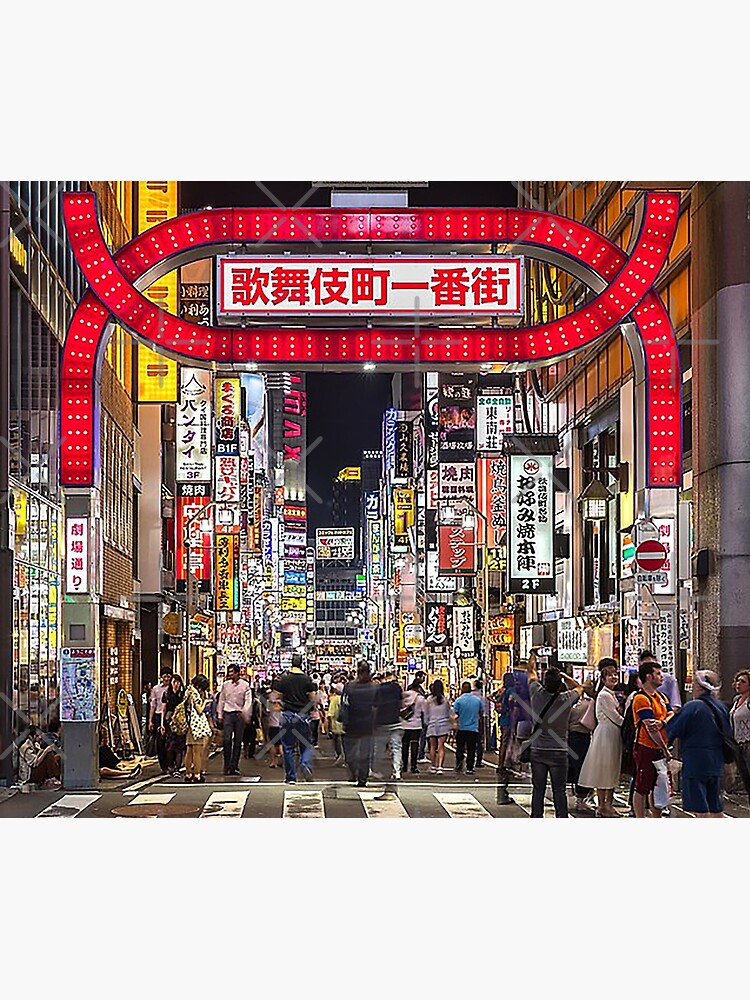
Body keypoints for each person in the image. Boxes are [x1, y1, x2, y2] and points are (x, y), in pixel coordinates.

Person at [666, 669, 730, 817]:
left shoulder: (692, 707)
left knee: (700, 809)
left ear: (700, 687)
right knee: (715, 807)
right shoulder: (721, 707)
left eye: (694, 683)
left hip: (695, 762)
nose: (692, 686)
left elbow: (673, 729)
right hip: (716, 762)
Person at [527, 661, 582, 818]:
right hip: (559, 751)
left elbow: (530, 672)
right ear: (559, 685)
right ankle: (561, 817)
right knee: (559, 790)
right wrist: (564, 676)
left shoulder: (536, 694)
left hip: (538, 750)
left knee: (538, 789)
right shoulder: (566, 699)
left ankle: (536, 816)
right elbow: (579, 687)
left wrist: (532, 655)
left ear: (544, 683)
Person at [579, 662, 624, 817]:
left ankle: (607, 805)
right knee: (605, 770)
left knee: (609, 769)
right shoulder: (605, 695)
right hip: (606, 734)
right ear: (603, 679)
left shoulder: (610, 694)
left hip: (610, 734)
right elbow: (616, 717)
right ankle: (604, 805)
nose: (613, 677)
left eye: (615, 674)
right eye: (609, 675)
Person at [631, 660, 674, 818]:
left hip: (659, 747)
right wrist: (664, 748)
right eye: (658, 674)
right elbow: (651, 728)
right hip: (646, 746)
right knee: (642, 786)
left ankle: (656, 815)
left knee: (658, 784)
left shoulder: (661, 696)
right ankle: (640, 817)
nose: (661, 677)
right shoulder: (641, 698)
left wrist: (663, 722)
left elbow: (670, 713)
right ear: (648, 677)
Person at [275, 653, 316, 784]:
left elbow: (277, 697)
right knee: (306, 744)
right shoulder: (306, 679)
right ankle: (305, 764)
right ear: (301, 663)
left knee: (288, 747)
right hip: (303, 715)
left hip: (287, 714)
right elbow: (312, 698)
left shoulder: (284, 679)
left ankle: (291, 777)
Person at [343, 660, 377, 787]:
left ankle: (355, 773)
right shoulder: (374, 688)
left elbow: (345, 705)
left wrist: (344, 720)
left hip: (352, 723)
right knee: (365, 752)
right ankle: (362, 778)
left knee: (350, 752)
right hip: (368, 724)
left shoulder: (350, 686)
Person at [217, 665, 252, 776]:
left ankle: (234, 766)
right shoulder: (225, 685)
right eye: (229, 672)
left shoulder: (245, 685)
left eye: (232, 672)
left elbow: (248, 701)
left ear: (237, 673)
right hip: (228, 714)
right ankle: (227, 765)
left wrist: (245, 713)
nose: (230, 674)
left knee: (238, 741)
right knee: (227, 740)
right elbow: (221, 700)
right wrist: (220, 714)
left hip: (239, 715)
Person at [373, 667, 404, 780]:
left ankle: (377, 771)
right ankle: (397, 772)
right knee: (396, 748)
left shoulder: (379, 689)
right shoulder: (397, 688)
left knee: (379, 748)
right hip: (395, 721)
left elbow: (374, 706)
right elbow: (401, 703)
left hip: (381, 722)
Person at [567, 695, 596, 815]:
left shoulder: (573, 704)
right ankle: (581, 799)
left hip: (571, 737)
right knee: (582, 768)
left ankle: (580, 797)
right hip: (582, 737)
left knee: (575, 767)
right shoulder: (590, 703)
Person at [184, 674, 212, 783]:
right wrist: (205, 701)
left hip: (189, 723)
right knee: (197, 751)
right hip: (196, 726)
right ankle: (197, 775)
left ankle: (188, 774)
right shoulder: (194, 693)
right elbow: (199, 710)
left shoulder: (188, 691)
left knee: (189, 750)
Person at [452, 681, 483, 775]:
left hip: (461, 728)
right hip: (473, 728)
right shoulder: (477, 700)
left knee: (460, 748)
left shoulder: (459, 700)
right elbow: (481, 712)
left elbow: (455, 714)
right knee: (471, 749)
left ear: (462, 689)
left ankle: (459, 765)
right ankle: (470, 767)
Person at [424, 679, 452, 774]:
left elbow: (426, 713)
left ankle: (433, 766)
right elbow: (448, 713)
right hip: (443, 724)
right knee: (441, 746)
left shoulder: (429, 700)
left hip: (432, 724)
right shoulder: (445, 700)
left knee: (432, 746)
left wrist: (426, 723)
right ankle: (440, 767)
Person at [730, 669, 750, 796]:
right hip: (738, 744)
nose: (738, 684)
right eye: (737, 681)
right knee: (746, 779)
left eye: (743, 682)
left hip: (748, 743)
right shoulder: (737, 700)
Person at [149, 667, 173, 773]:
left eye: (168, 676)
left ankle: (171, 763)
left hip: (171, 716)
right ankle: (163, 766)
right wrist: (150, 720)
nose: (166, 678)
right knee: (160, 742)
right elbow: (153, 705)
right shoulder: (156, 689)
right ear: (161, 677)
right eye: (165, 676)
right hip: (159, 716)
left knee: (171, 741)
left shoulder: (174, 688)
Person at [162, 674, 187, 776]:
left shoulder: (183, 694)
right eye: (174, 682)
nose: (176, 684)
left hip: (180, 723)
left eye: (177, 682)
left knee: (179, 747)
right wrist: (162, 724)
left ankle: (177, 768)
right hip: (169, 721)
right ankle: (170, 765)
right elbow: (164, 709)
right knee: (169, 746)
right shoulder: (167, 693)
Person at [400, 681, 426, 775]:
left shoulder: (403, 696)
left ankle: (404, 765)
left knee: (405, 745)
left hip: (404, 724)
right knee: (414, 744)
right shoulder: (420, 698)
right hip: (416, 724)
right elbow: (424, 711)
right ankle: (413, 766)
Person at [493, 673, 516, 772]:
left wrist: (498, 705)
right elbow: (511, 700)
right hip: (510, 719)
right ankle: (504, 764)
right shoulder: (511, 690)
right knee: (509, 741)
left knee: (504, 742)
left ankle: (501, 763)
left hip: (503, 718)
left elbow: (491, 697)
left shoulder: (502, 690)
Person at [471, 679, 491, 768]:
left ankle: (469, 761)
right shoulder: (483, 698)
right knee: (479, 742)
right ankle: (478, 761)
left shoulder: (470, 696)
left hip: (469, 721)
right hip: (480, 721)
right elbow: (485, 712)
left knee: (470, 742)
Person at [327, 684, 346, 765]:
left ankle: (340, 757)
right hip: (346, 725)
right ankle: (346, 759)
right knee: (346, 744)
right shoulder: (346, 698)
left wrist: (329, 725)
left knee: (337, 743)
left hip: (336, 725)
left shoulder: (334, 699)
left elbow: (330, 714)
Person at [265, 686, 284, 768]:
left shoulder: (269, 702)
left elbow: (267, 712)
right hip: (281, 724)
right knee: (281, 744)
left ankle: (273, 762)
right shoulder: (282, 702)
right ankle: (282, 760)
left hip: (272, 724)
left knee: (272, 744)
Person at [414, 670, 430, 763]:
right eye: (423, 677)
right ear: (418, 677)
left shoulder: (417, 689)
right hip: (420, 717)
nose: (424, 679)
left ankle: (417, 755)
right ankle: (420, 755)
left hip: (413, 719)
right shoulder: (419, 693)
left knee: (415, 739)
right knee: (422, 737)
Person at [242, 686, 262, 760]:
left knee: (245, 738)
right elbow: (259, 713)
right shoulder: (256, 702)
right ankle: (251, 753)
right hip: (253, 721)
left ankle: (245, 751)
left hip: (244, 722)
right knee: (252, 738)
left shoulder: (244, 701)